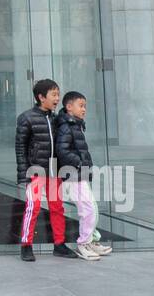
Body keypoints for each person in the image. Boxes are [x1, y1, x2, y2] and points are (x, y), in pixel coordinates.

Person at [16, 79, 75, 262]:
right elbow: (20, 148)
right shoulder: (26, 118)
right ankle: (26, 245)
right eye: (54, 95)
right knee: (32, 208)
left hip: (54, 172)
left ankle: (59, 244)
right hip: (36, 171)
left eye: (58, 94)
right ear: (41, 97)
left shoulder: (57, 119)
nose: (57, 98)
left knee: (57, 208)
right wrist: (23, 173)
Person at [55, 91, 111, 260]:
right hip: (72, 175)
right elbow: (62, 150)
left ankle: (91, 240)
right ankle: (83, 243)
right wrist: (79, 162)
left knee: (91, 208)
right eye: (81, 106)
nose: (84, 109)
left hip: (79, 174)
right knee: (88, 210)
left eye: (85, 106)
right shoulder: (66, 126)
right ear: (69, 107)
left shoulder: (75, 124)